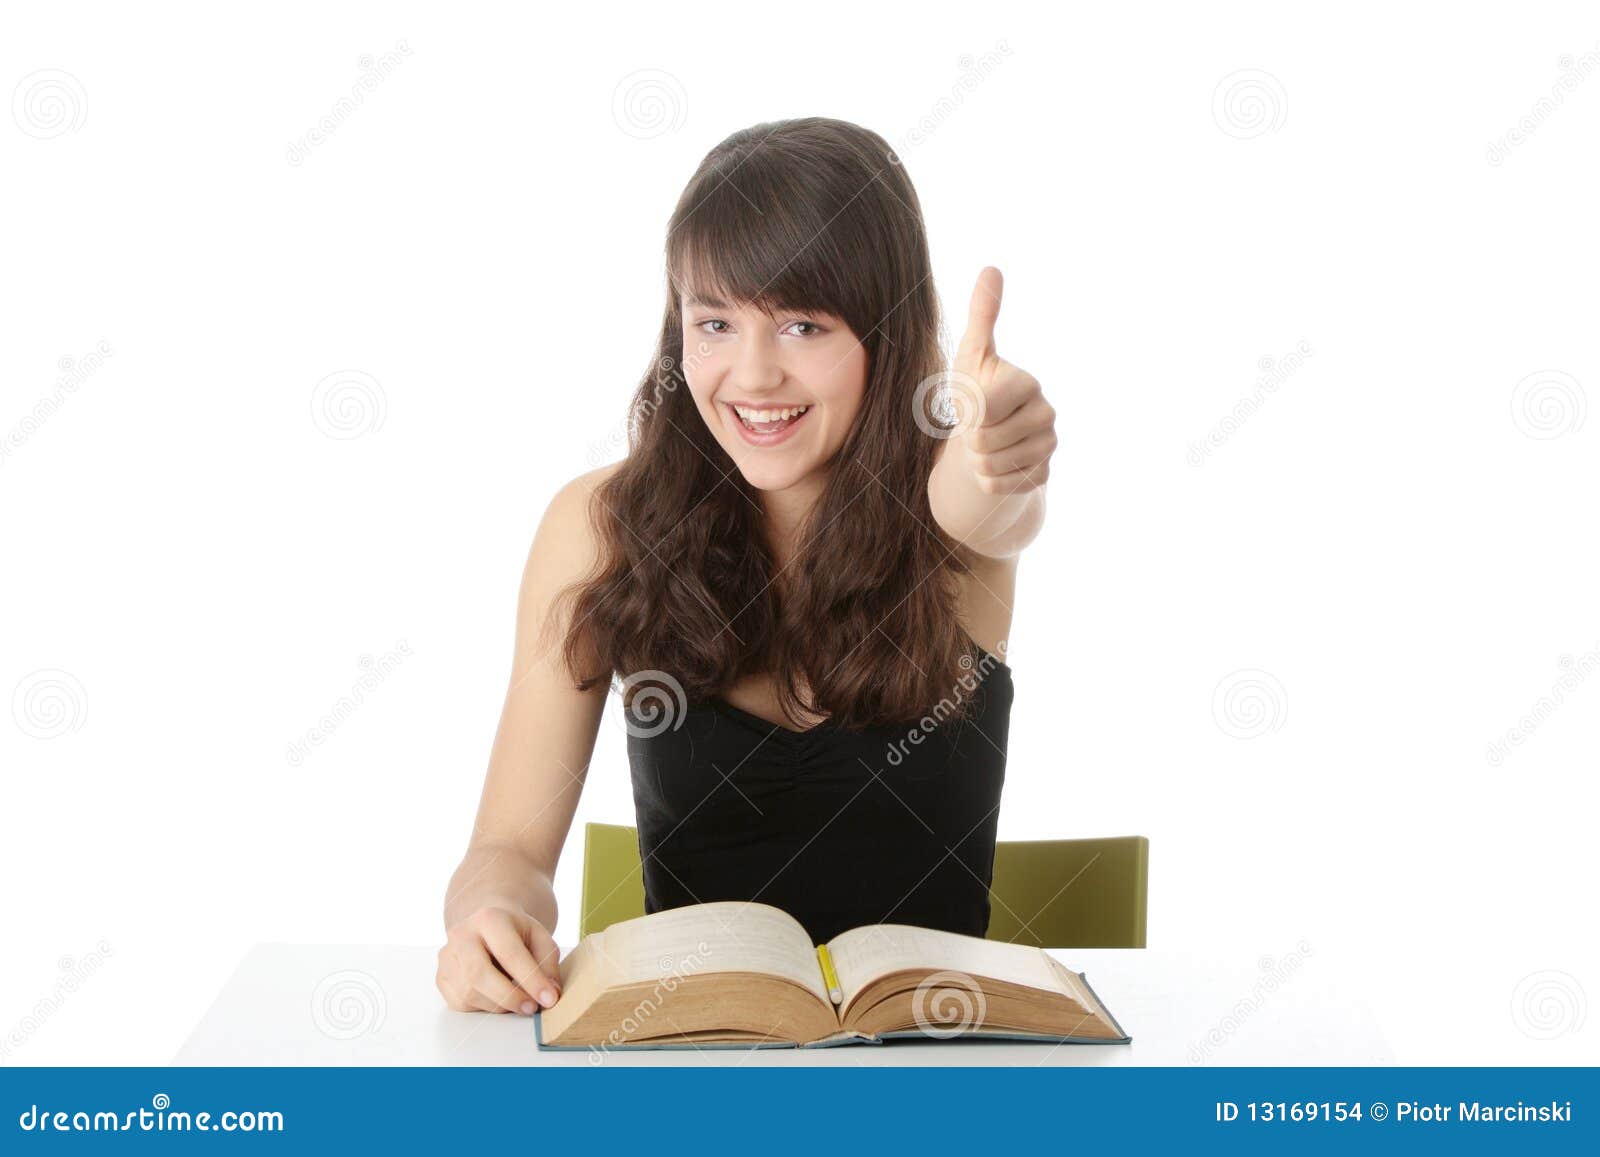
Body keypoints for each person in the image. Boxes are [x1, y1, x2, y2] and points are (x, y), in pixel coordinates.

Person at [436, 116, 1057, 1016]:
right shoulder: (598, 525)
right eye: (716, 321)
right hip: (694, 1060)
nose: (752, 374)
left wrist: (996, 454)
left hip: (933, 1068)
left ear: (886, 333)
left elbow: (989, 506)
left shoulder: (950, 511)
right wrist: (488, 914)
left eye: (803, 324)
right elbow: (509, 850)